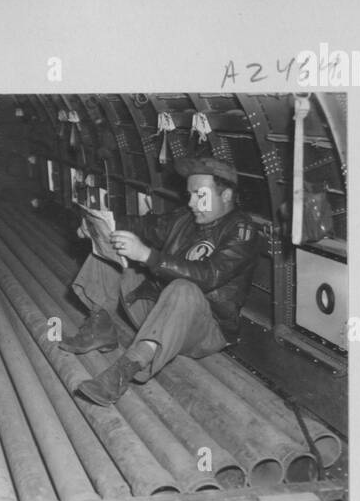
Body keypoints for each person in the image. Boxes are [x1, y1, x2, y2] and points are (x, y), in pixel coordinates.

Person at [63, 156, 261, 407]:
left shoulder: (243, 231)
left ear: (226, 195)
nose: (191, 202)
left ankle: (123, 370)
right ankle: (101, 326)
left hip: (204, 329)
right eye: (189, 194)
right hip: (160, 312)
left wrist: (147, 255)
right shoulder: (184, 218)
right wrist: (96, 225)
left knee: (184, 288)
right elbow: (142, 225)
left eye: (199, 194)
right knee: (113, 244)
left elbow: (209, 276)